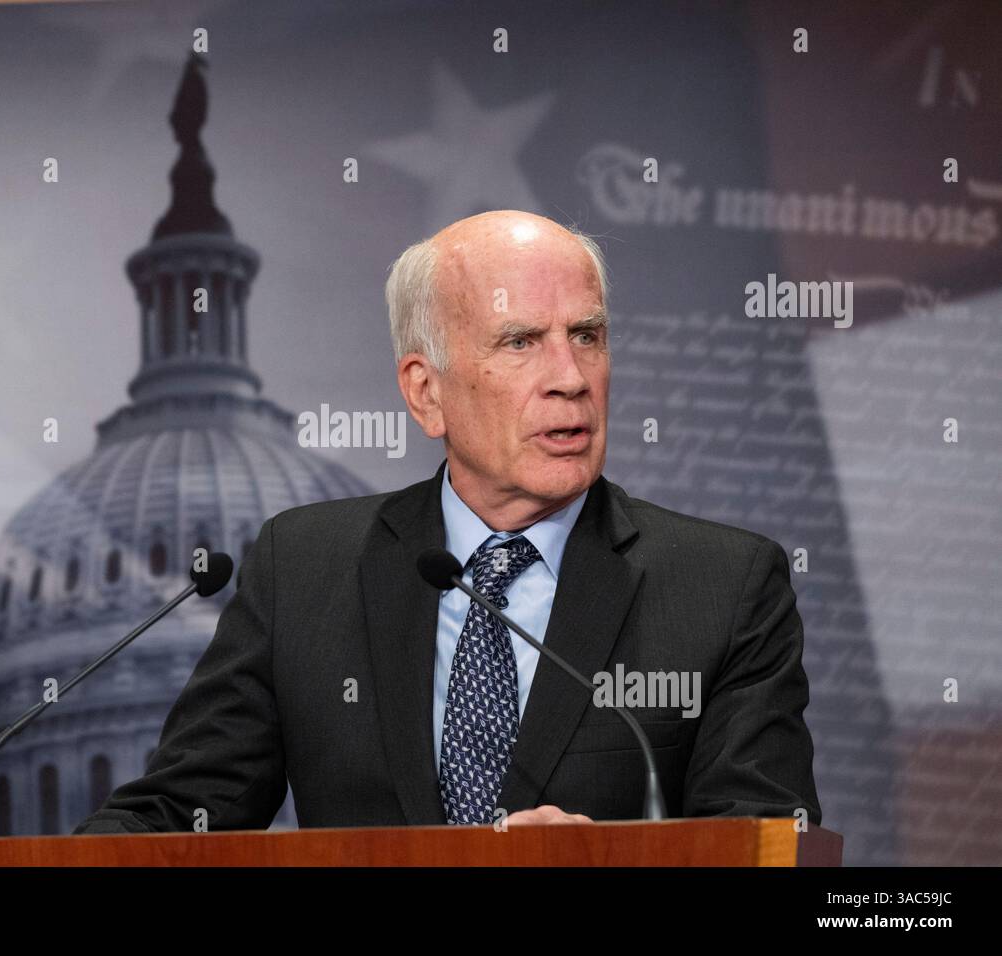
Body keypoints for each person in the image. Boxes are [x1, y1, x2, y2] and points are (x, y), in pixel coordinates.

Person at [74, 209, 821, 834]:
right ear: (425, 393)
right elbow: (179, 816)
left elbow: (767, 841)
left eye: (587, 336)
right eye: (521, 342)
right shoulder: (302, 569)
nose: (570, 378)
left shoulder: (724, 587)